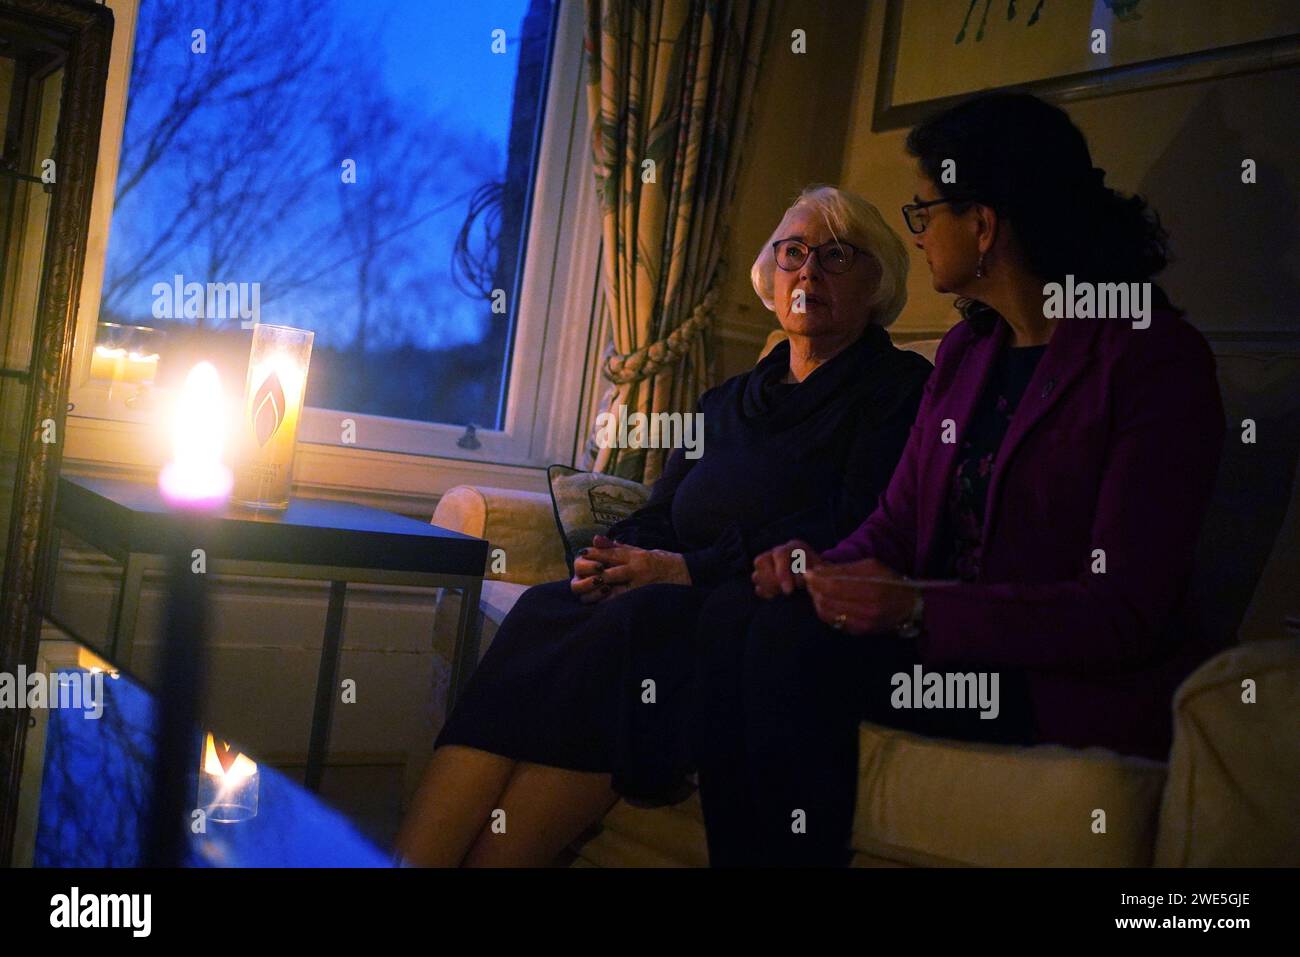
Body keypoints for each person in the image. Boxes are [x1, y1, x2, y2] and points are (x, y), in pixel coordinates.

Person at [696, 92, 1227, 867]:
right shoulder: (966, 354)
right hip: (944, 647)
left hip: (1045, 678)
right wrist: (820, 565)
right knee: (737, 613)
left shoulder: (1151, 361)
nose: (918, 230)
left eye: (926, 212)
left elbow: (1122, 611)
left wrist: (915, 606)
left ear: (983, 225)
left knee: (793, 653)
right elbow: (897, 525)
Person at [394, 185, 933, 866]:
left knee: (629, 627)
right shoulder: (730, 399)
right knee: (544, 608)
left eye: (835, 257)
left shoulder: (897, 388)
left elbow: (850, 524)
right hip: (668, 589)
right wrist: (616, 555)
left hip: (752, 610)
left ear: (877, 282)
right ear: (770, 276)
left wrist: (682, 570)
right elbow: (662, 508)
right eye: (793, 253)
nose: (809, 273)